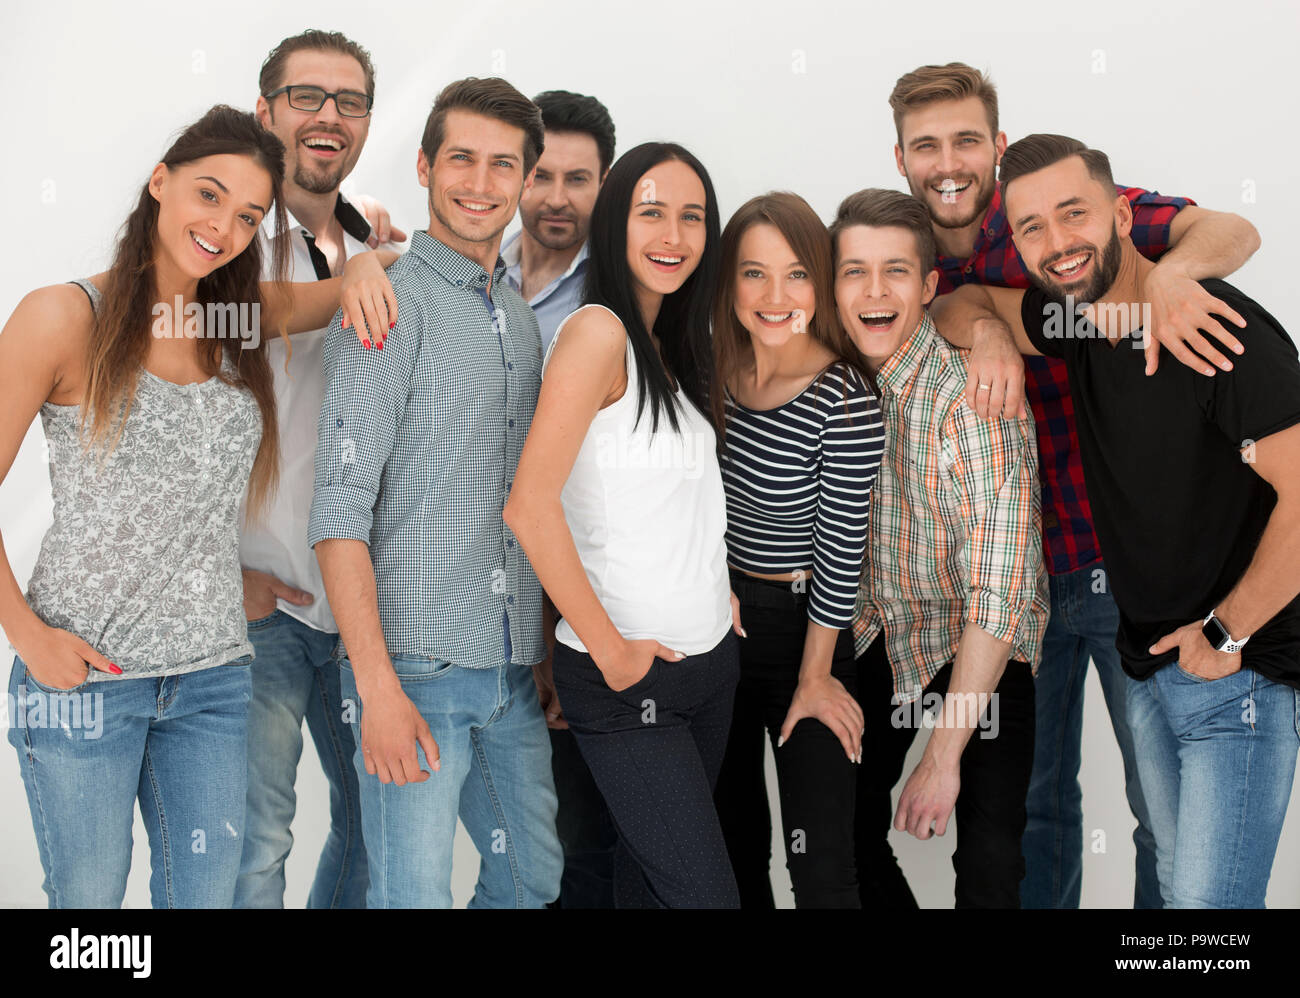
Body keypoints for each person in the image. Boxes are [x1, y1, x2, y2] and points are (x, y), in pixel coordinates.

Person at [886, 61, 1262, 908]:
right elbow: (945, 309)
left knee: (1156, 805)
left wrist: (1171, 275)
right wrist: (981, 324)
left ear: (998, 145)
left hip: (1125, 564)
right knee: (1036, 809)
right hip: (1009, 586)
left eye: (966, 140)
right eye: (927, 146)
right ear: (902, 158)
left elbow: (1229, 230)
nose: (949, 162)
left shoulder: (1051, 211)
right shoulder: (900, 252)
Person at [1, 104, 393, 908]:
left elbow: (347, 287)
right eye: (208, 196)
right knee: (89, 905)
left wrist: (362, 263)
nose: (224, 227)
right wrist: (28, 637)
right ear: (160, 181)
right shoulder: (62, 316)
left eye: (249, 215)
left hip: (213, 679)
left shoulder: (229, 318)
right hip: (85, 677)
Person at [308, 76, 564, 909]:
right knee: (409, 896)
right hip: (413, 669)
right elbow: (339, 510)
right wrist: (375, 687)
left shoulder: (518, 314)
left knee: (532, 879)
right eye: (461, 159)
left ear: (526, 182)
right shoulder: (389, 302)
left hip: (508, 668)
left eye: (503, 165)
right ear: (423, 165)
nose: (481, 184)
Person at [504, 141, 743, 908]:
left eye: (692, 217)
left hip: (708, 671)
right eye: (652, 213)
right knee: (706, 897)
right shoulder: (596, 334)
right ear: (615, 221)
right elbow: (528, 505)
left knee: (650, 890)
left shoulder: (675, 347)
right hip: (628, 679)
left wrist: (718, 588)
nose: (673, 235)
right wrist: (608, 653)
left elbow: (679, 500)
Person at [833, 188, 1049, 908]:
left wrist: (943, 756)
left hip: (978, 640)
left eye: (896, 271)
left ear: (930, 286)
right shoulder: (829, 381)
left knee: (990, 861)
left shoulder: (974, 398)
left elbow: (1000, 593)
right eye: (853, 270)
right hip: (880, 632)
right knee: (839, 834)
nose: (873, 291)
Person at [234, 28, 404, 911]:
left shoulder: (372, 238)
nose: (328, 117)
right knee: (252, 843)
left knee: (379, 828)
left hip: (357, 613)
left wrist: (372, 252)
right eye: (307, 98)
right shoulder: (219, 241)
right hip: (254, 605)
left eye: (350, 102)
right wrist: (227, 572)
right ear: (266, 112)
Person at [709, 191, 883, 908]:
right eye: (754, 274)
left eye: (795, 275)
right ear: (729, 283)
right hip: (715, 626)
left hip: (805, 627)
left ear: (820, 280)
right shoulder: (714, 369)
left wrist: (815, 678)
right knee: (731, 847)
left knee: (819, 866)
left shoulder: (844, 398)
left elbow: (841, 551)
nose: (775, 296)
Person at [500, 87, 619, 909]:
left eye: (579, 179)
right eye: (540, 173)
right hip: (462, 597)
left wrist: (553, 641)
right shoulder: (464, 269)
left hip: (569, 603)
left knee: (582, 839)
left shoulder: (612, 302)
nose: (555, 196)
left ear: (604, 187)